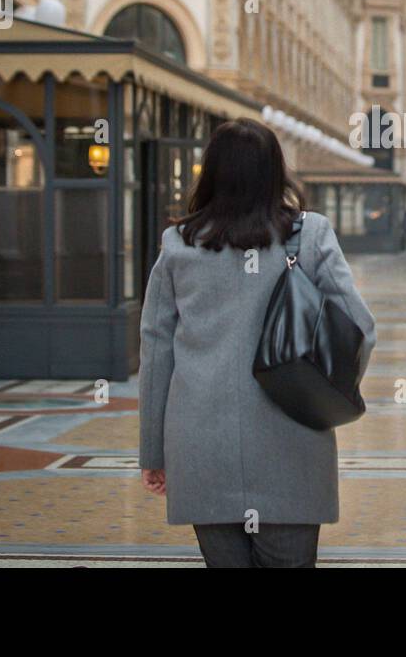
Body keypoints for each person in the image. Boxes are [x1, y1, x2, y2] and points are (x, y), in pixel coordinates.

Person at [138, 118, 377, 567]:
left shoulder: (178, 245)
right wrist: (328, 392)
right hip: (293, 437)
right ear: (275, 171)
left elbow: (156, 349)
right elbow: (360, 326)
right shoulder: (310, 235)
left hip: (201, 445)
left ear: (210, 172)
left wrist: (153, 450)